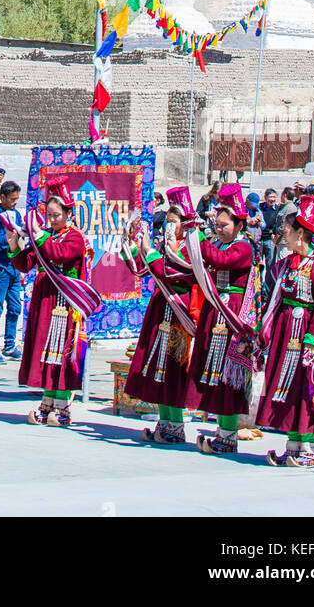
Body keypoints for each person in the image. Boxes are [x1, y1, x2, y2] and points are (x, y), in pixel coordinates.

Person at [257, 195, 314, 468]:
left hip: (306, 335)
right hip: (286, 334)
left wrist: (313, 340)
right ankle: (292, 447)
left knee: (306, 390)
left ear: (301, 233)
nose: (283, 235)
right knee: (288, 389)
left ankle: (309, 449)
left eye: (287, 231)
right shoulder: (287, 264)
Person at [6, 181, 95, 428]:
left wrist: (40, 234)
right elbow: (25, 263)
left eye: (57, 215)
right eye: (49, 215)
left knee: (62, 351)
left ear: (69, 214)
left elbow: (59, 255)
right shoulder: (46, 237)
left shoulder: (75, 237)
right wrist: (14, 244)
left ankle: (62, 404)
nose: (53, 220)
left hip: (65, 305)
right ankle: (47, 400)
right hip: (45, 301)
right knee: (45, 350)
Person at [183, 183, 259, 457]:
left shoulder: (243, 248)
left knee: (229, 376)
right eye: (216, 223)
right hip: (215, 311)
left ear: (239, 225)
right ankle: (220, 432)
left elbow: (219, 260)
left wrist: (196, 238)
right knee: (213, 371)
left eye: (225, 224)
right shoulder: (216, 243)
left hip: (232, 314)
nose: (219, 228)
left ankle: (228, 435)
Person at [122, 186, 197, 444]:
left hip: (178, 314)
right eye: (166, 222)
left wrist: (150, 250)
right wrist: (134, 245)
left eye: (173, 222)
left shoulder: (191, 251)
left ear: (184, 226)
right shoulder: (164, 246)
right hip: (161, 311)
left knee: (175, 370)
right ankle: (164, 423)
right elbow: (146, 270)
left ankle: (176, 426)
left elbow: (173, 274)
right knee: (159, 368)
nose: (167, 227)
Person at [0, 179, 24, 362]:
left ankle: (10, 344)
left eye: (17, 199)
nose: (15, 202)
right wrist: (13, 236)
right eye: (12, 199)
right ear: (3, 197)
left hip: (15, 267)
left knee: (15, 307)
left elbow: (20, 238)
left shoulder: (15, 214)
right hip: (1, 267)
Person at [259, 189, 279, 294]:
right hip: (259, 240)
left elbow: (278, 223)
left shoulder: (277, 209)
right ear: (265, 197)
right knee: (258, 265)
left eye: (274, 197)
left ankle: (267, 290)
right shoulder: (260, 208)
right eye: (270, 197)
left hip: (270, 240)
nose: (272, 199)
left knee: (270, 265)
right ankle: (258, 287)